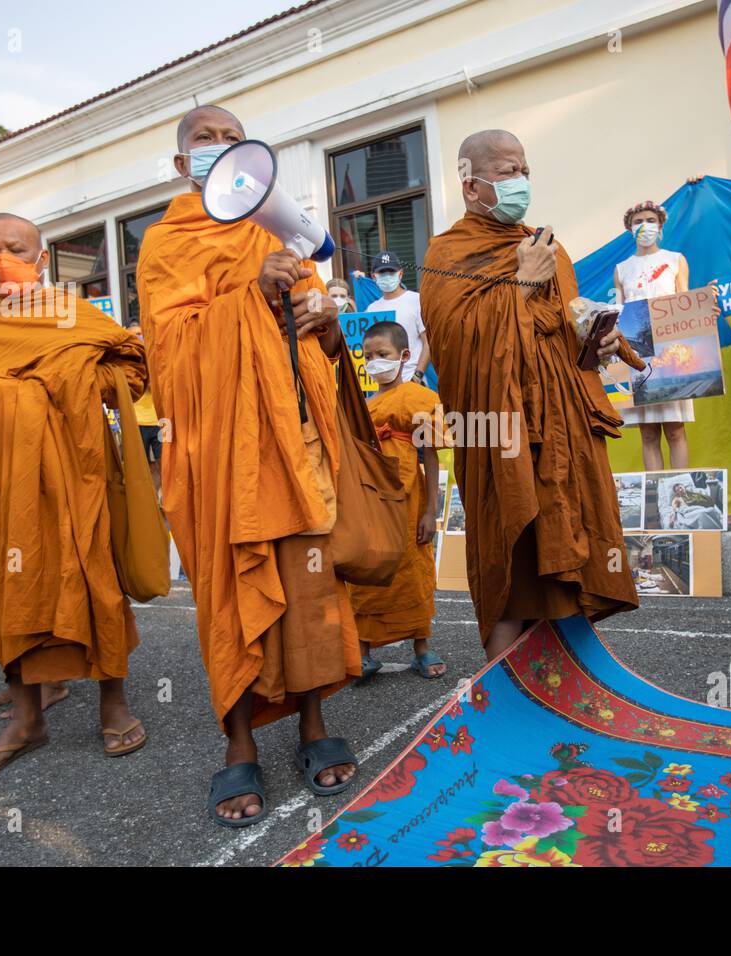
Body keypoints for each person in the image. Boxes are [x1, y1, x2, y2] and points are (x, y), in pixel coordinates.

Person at [137, 104, 361, 827]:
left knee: (307, 587)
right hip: (216, 456)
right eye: (205, 139)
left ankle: (313, 725)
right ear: (181, 165)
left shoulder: (275, 230)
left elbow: (315, 354)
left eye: (233, 137)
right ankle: (238, 743)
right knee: (233, 592)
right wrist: (247, 295)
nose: (221, 147)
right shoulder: (168, 243)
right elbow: (167, 356)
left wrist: (327, 328)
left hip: (292, 445)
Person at [0, 211, 150, 777]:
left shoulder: (77, 316)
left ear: (41, 260)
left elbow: (133, 372)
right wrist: (11, 395)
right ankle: (27, 719)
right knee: (10, 587)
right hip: (0, 487)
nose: (2, 262)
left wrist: (69, 378)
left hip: (78, 475)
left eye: (16, 250)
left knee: (94, 579)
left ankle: (112, 704)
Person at [420, 128, 643, 661]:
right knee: (513, 563)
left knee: (573, 553)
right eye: (506, 172)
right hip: (503, 433)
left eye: (524, 170)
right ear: (472, 186)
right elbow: (457, 350)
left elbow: (562, 337)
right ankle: (505, 706)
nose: (520, 181)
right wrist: (520, 283)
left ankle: (573, 693)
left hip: (563, 429)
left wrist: (600, 342)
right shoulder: (447, 254)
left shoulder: (546, 248)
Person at [349, 321, 444, 680]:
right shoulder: (360, 406)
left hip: (410, 500)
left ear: (405, 356)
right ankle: (363, 651)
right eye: (369, 355)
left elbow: (431, 455)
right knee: (366, 568)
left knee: (413, 570)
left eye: (383, 355)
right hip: (370, 502)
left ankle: (421, 648)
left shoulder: (420, 399)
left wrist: (431, 511)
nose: (375, 362)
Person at [613, 201, 695, 470]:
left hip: (671, 351)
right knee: (648, 434)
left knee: (675, 430)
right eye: (638, 221)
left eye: (650, 219)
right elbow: (619, 311)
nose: (644, 225)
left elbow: (684, 301)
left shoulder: (676, 259)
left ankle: (679, 487)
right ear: (629, 228)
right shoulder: (622, 269)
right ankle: (658, 499)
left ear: (660, 225)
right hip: (638, 355)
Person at [370, 251, 431, 384]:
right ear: (374, 277)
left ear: (400, 274)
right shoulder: (371, 309)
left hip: (411, 382)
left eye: (391, 272)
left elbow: (429, 342)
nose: (387, 276)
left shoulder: (416, 301)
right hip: (382, 386)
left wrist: (417, 376)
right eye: (382, 273)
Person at [125, 318, 163, 495]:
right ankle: (153, 499)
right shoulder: (127, 361)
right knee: (145, 465)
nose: (138, 338)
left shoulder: (157, 356)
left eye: (140, 334)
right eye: (134, 335)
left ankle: (167, 496)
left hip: (161, 421)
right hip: (137, 422)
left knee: (166, 463)